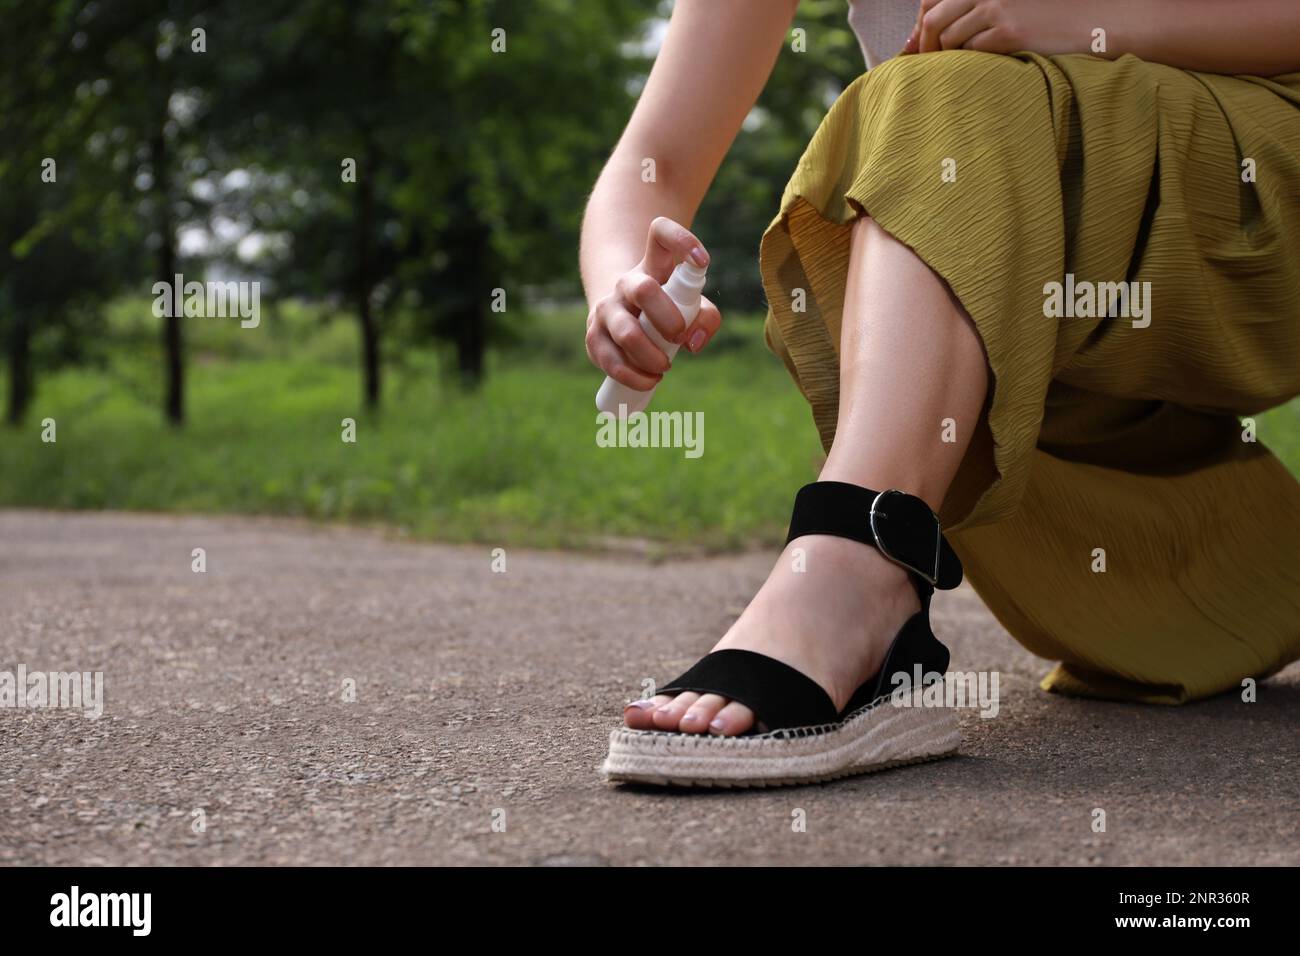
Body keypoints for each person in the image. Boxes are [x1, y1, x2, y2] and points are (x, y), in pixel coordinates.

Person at [581, 0, 1300, 787]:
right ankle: (1218, 557)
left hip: (1262, 184)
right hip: (1065, 319)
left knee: (937, 92)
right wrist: (621, 285)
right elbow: (656, 158)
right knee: (1193, 623)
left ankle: (856, 572)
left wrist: (1098, 21)